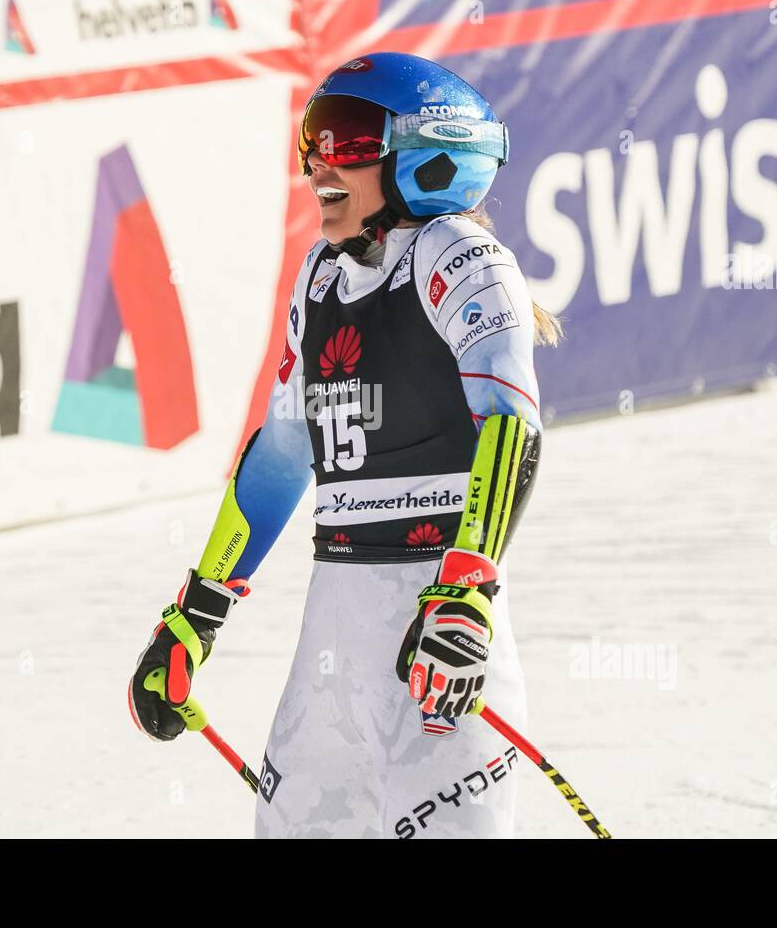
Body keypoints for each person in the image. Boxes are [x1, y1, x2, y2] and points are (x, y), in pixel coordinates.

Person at [128, 51, 559, 838]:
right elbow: (283, 454)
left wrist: (467, 591)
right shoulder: (321, 279)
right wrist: (196, 614)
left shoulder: (460, 256)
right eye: (314, 138)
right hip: (334, 644)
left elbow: (511, 420)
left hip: (433, 634)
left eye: (351, 139)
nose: (320, 162)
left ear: (429, 157)